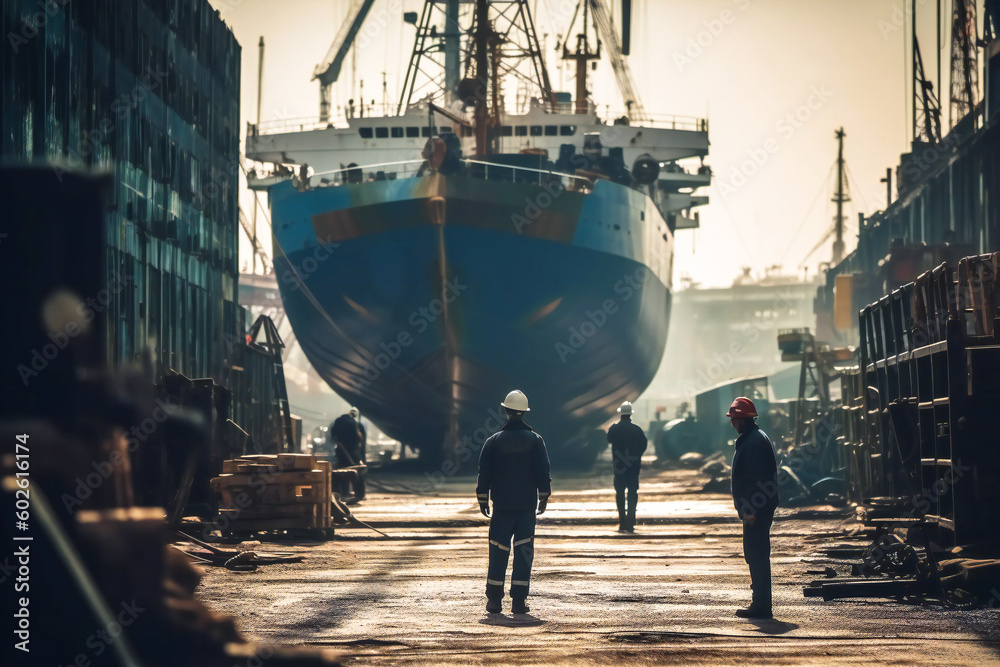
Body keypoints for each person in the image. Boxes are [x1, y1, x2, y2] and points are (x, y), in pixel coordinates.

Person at [476, 390, 551, 615]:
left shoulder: (493, 441)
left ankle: (494, 601)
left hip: (502, 508)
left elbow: (484, 473)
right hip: (526, 509)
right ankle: (518, 602)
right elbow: (543, 470)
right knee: (524, 553)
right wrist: (543, 496)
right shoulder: (536, 440)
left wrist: (483, 499)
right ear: (524, 412)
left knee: (498, 552)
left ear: (506, 411)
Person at [727, 396, 779, 619]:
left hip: (756, 509)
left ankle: (761, 605)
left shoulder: (753, 442)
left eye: (733, 419)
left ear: (741, 420)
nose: (731, 423)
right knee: (755, 554)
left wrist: (752, 510)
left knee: (756, 554)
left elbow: (756, 480)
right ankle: (760, 603)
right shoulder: (754, 438)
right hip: (756, 508)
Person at [607, 401, 647, 532]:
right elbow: (643, 445)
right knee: (632, 493)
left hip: (619, 468)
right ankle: (631, 522)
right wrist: (635, 457)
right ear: (630, 414)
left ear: (620, 413)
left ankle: (622, 523)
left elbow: (609, 439)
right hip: (633, 468)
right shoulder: (637, 430)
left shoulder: (614, 429)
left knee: (619, 494)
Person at [330, 408, 365, 500]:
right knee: (356, 472)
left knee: (342, 472)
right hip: (353, 451)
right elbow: (358, 438)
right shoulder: (355, 423)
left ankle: (344, 493)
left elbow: (333, 435)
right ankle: (358, 494)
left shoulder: (338, 421)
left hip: (341, 451)